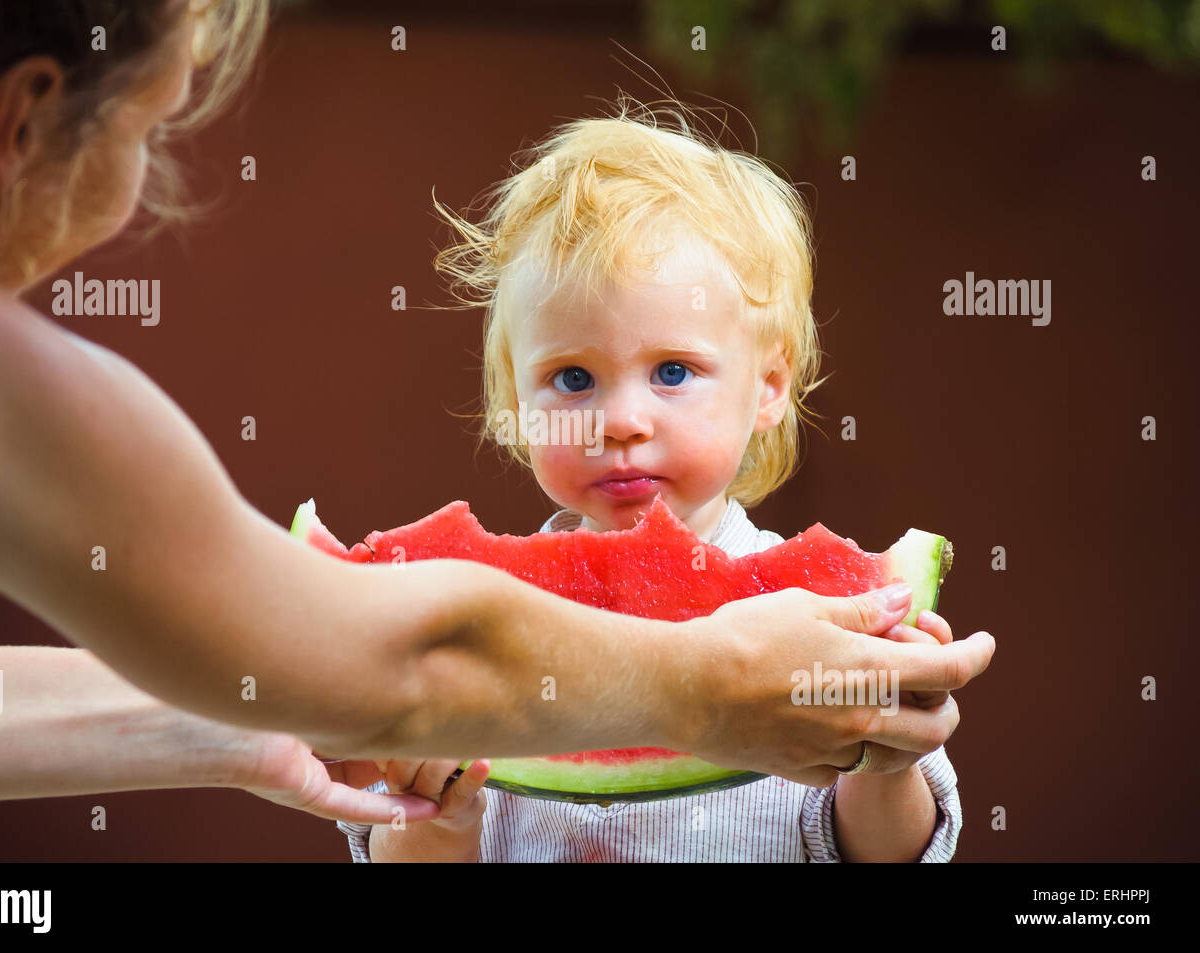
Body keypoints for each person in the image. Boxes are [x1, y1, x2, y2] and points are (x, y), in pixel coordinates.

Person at [0, 0, 994, 825]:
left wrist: (250, 705)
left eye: (672, 370)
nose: (149, 190)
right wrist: (707, 680)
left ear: (771, 380)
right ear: (25, 120)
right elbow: (415, 672)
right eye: (158, 120)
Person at [343, 106, 966, 861]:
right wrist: (436, 816)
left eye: (673, 371)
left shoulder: (824, 624)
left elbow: (886, 854)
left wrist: (882, 756)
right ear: (516, 405)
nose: (622, 420)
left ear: (768, 385)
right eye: (572, 377)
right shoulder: (470, 626)